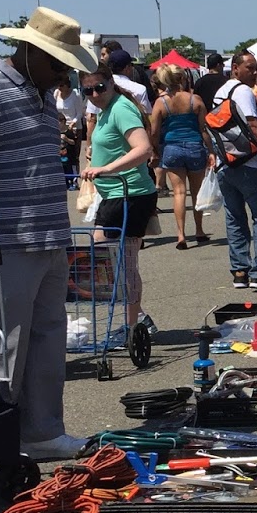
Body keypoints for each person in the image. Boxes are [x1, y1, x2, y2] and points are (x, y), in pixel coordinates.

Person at [0, 6, 96, 460]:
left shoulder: (42, 93)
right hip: (5, 243)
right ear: (29, 51)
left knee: (48, 340)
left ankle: (42, 432)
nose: (61, 72)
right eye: (56, 62)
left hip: (48, 236)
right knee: (0, 345)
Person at [79, 64, 157, 332]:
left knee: (121, 262)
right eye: (87, 90)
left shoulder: (121, 108)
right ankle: (136, 318)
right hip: (114, 194)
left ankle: (134, 323)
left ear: (111, 83)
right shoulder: (104, 111)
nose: (94, 94)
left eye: (99, 88)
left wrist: (106, 168)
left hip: (129, 193)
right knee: (111, 260)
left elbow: (144, 148)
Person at [213, 51, 257, 289]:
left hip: (226, 164)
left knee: (234, 218)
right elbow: (254, 125)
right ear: (235, 68)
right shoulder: (243, 92)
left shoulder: (220, 92)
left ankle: (240, 271)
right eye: (249, 68)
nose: (254, 72)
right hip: (250, 164)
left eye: (256, 68)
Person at [150, 64, 210, 249]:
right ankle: (199, 230)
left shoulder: (161, 102)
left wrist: (154, 150)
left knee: (179, 192)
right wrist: (212, 151)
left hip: (172, 148)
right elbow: (204, 129)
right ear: (183, 79)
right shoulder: (195, 100)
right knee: (196, 191)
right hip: (194, 146)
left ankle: (181, 235)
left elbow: (154, 130)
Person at [52, 71, 85, 177]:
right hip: (60, 126)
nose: (59, 88)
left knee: (73, 154)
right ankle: (63, 176)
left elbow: (80, 113)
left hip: (73, 127)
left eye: (61, 85)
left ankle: (75, 176)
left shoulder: (75, 95)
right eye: (58, 85)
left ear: (67, 85)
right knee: (61, 153)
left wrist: (73, 123)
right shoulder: (56, 93)